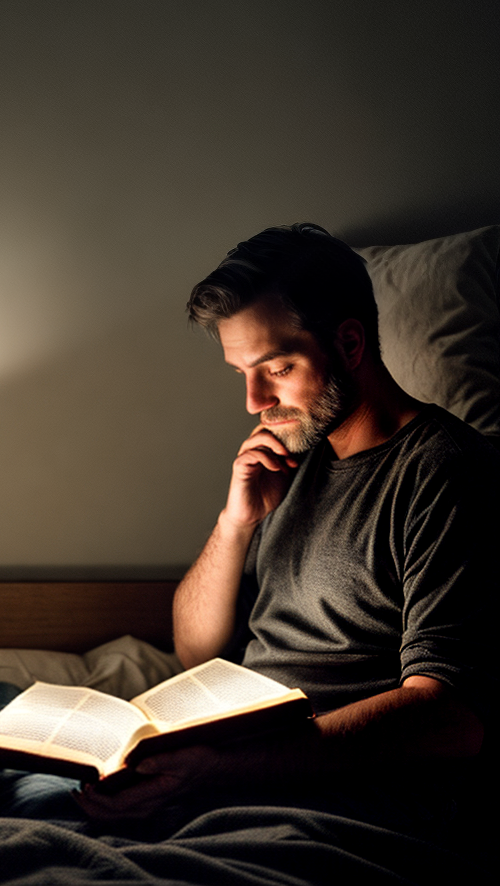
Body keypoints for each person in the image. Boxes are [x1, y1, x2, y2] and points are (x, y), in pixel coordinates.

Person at [77, 222, 494, 828]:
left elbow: (449, 718)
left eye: (276, 367)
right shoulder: (291, 456)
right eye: (240, 371)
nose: (252, 400)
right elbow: (195, 649)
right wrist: (234, 523)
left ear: (350, 344)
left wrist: (220, 771)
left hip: (337, 795)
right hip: (235, 766)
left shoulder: (447, 472)